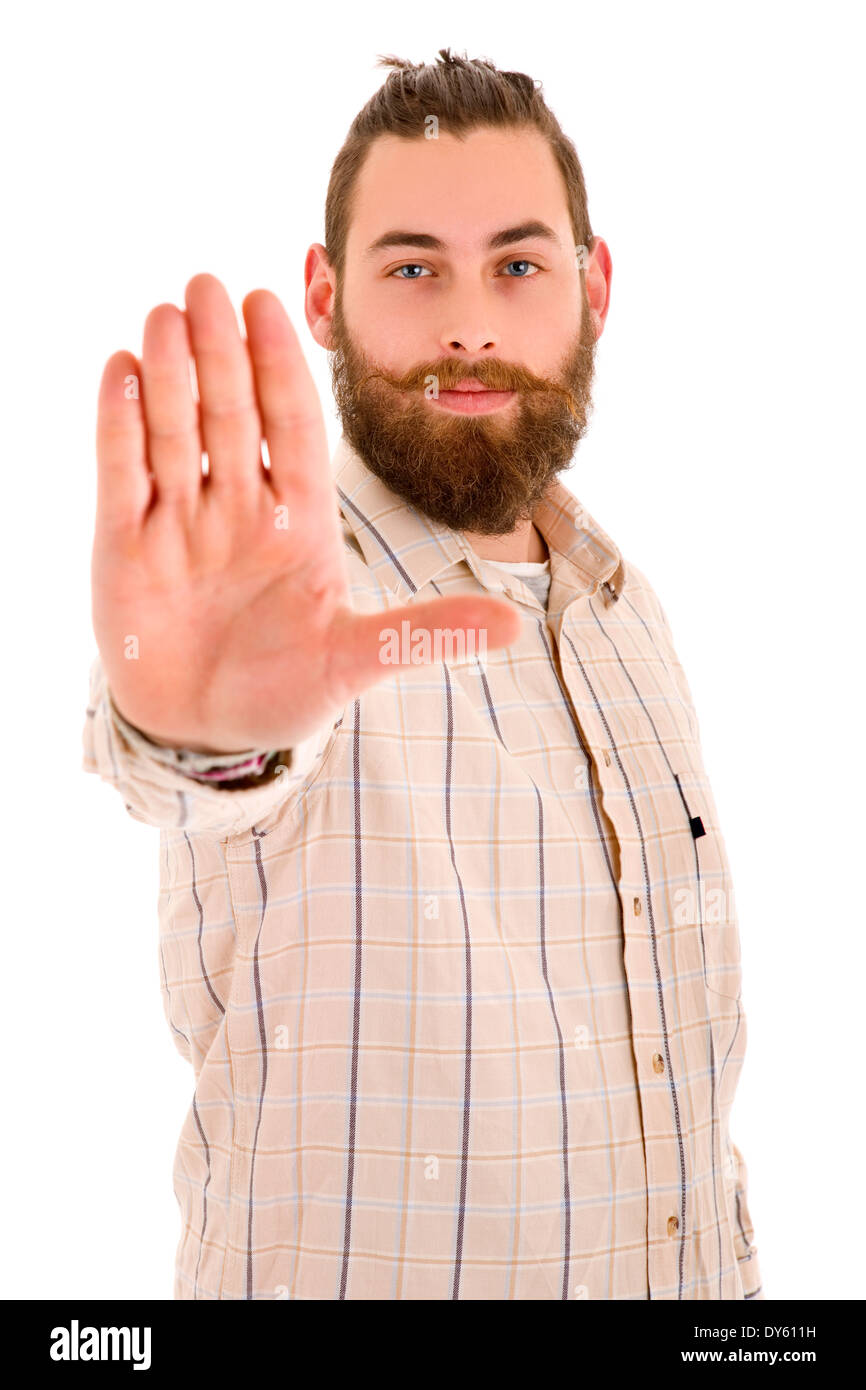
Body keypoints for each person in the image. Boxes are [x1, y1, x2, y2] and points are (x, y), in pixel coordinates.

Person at [83, 48, 762, 1300]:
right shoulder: (296, 598)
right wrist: (192, 729)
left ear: (592, 286)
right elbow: (195, 772)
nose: (468, 323)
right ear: (324, 296)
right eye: (411, 268)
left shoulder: (625, 612)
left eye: (516, 264)